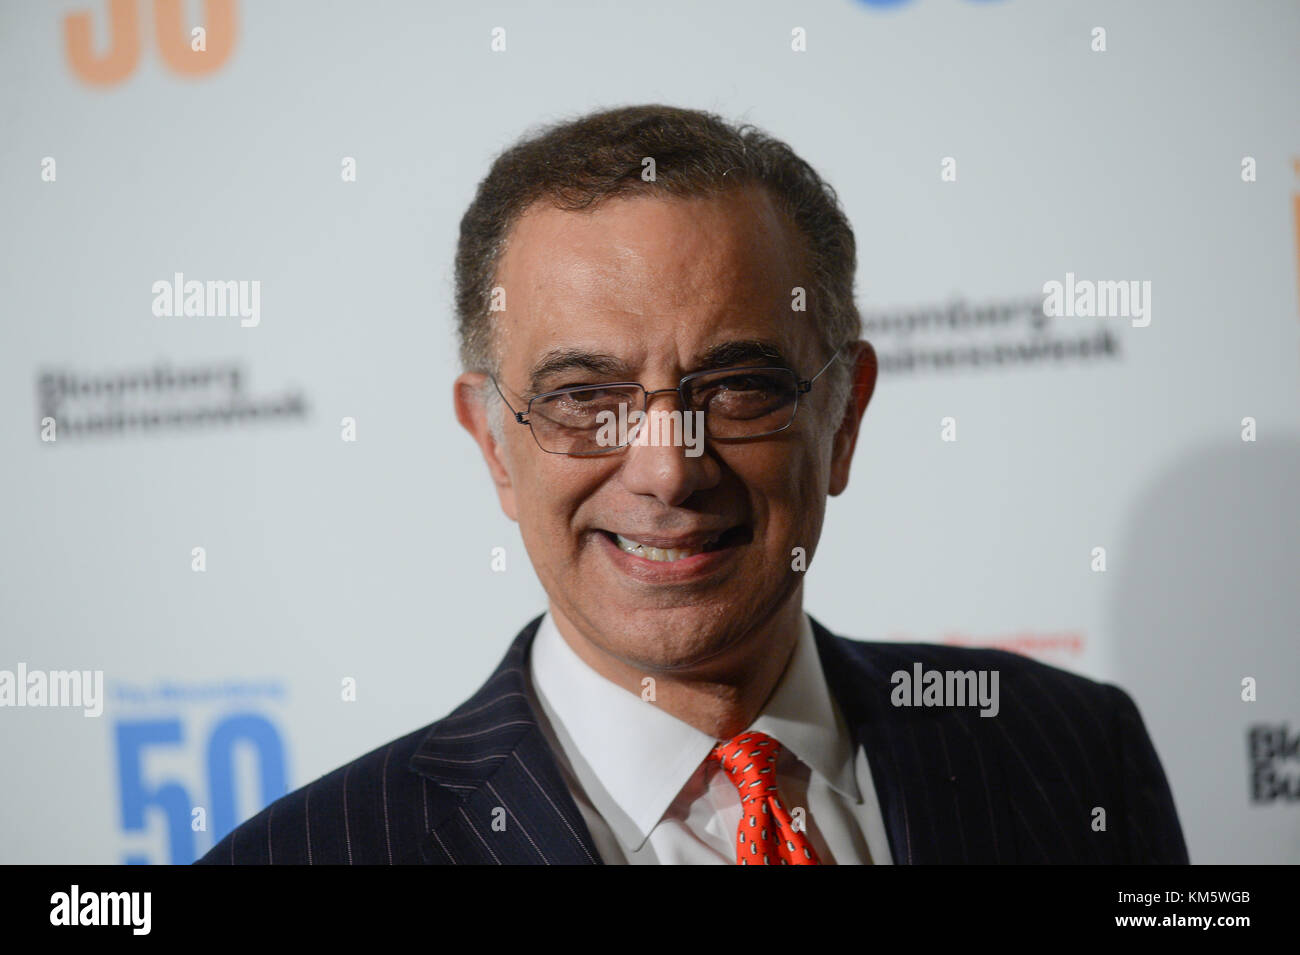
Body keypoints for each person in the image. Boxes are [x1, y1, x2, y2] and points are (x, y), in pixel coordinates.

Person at [198, 104, 1188, 865]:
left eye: (739, 387)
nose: (668, 466)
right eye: (584, 396)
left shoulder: (1067, 752)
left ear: (843, 415)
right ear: (494, 442)